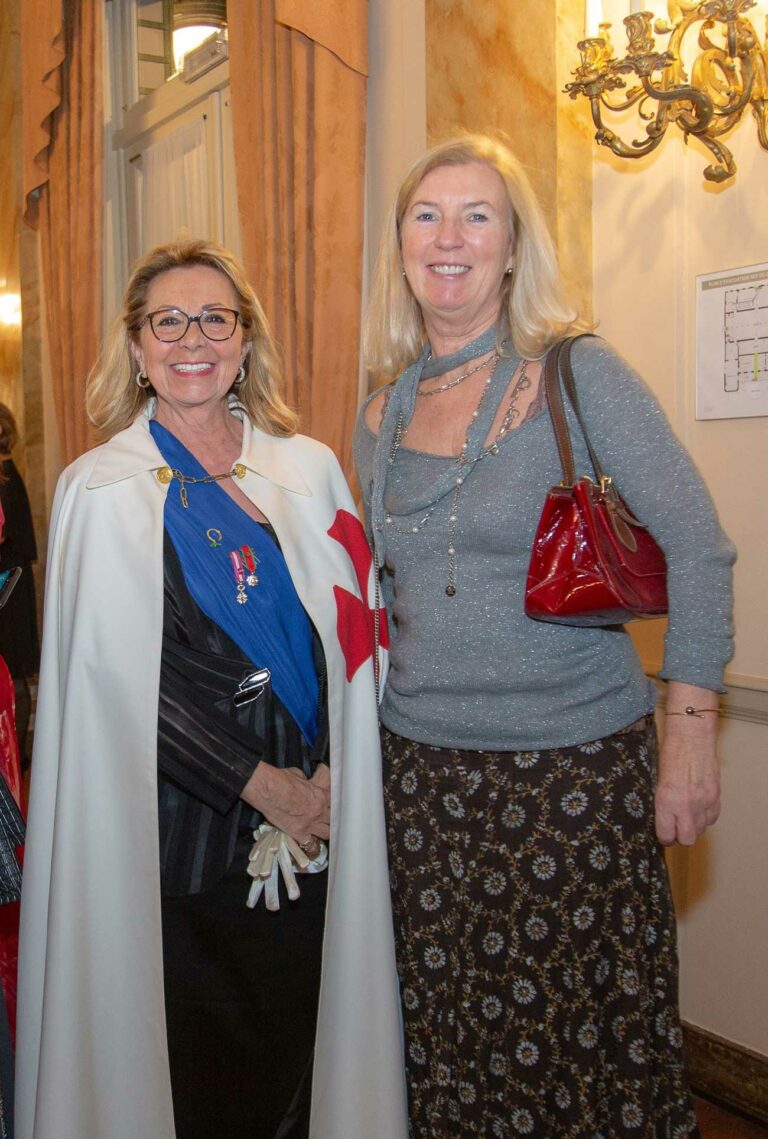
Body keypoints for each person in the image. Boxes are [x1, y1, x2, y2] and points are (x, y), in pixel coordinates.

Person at [354, 135, 735, 1139]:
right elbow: (373, 596)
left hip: (572, 778)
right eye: (426, 213)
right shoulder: (381, 408)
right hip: (425, 785)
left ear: (515, 247)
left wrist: (692, 729)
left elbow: (700, 547)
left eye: (478, 214)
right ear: (399, 244)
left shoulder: (578, 373)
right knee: (451, 1044)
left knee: (588, 1048)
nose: (449, 237)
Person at [17, 239, 408, 1139]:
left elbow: (360, 635)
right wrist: (263, 784)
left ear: (244, 341)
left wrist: (334, 779)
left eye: (214, 319)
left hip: (320, 830)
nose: (192, 338)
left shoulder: (306, 472)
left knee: (303, 1071)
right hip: (185, 850)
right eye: (168, 320)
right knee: (207, 1089)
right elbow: (112, 684)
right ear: (138, 346)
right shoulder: (99, 490)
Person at [0, 405, 40, 766]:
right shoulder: (11, 473)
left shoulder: (4, 479)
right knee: (14, 671)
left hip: (7, 590)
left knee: (11, 673)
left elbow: (17, 543)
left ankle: (20, 756)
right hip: (16, 588)